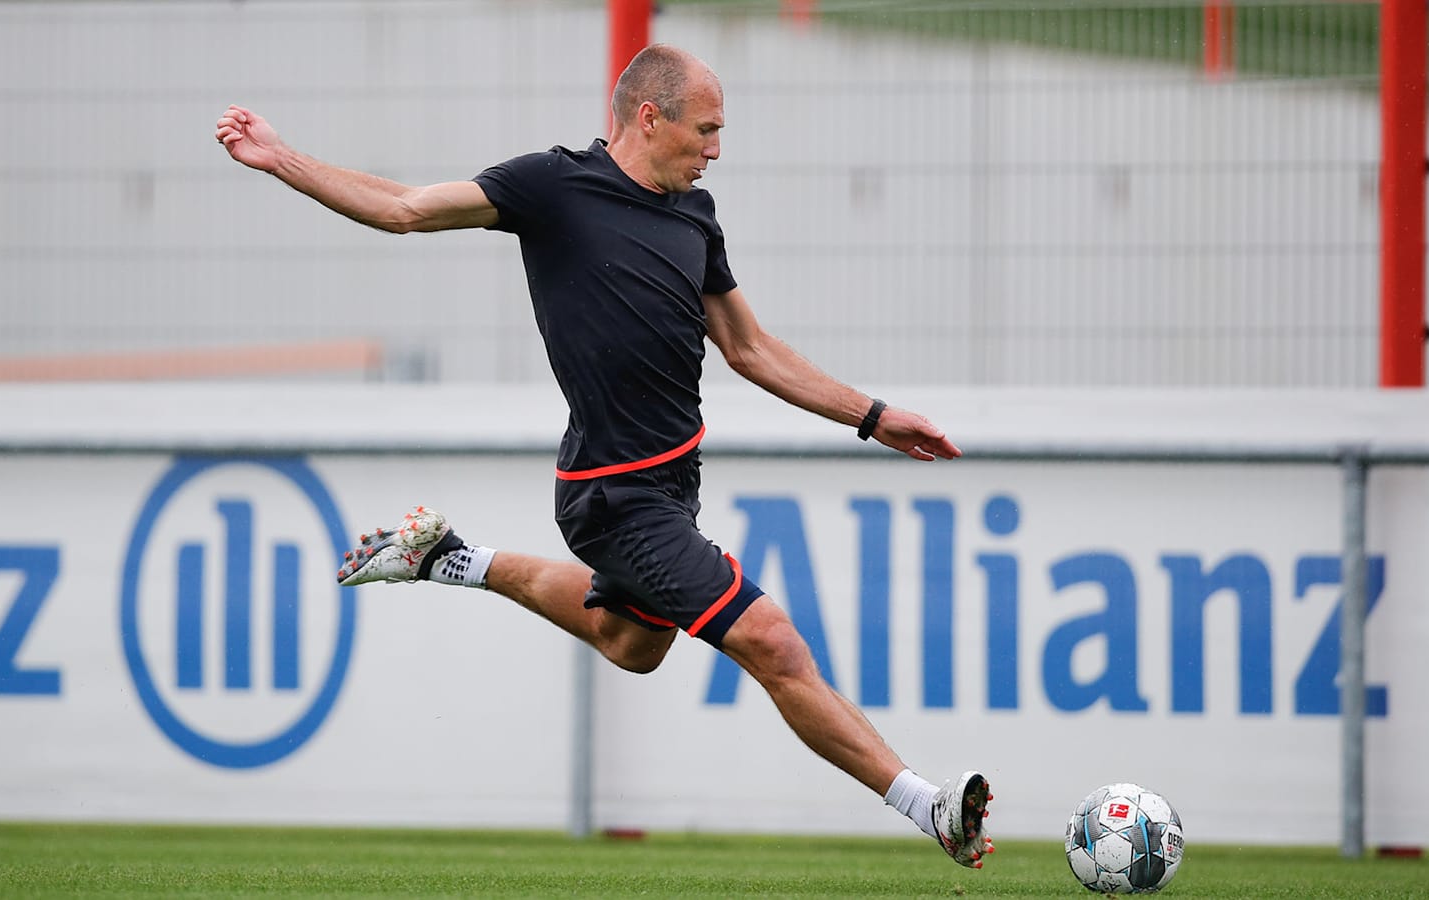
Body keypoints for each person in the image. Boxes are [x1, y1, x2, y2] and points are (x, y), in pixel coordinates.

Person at [215, 43, 993, 868]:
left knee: (633, 646)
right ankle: (927, 805)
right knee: (771, 640)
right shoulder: (551, 186)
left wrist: (874, 417)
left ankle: (450, 558)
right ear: (648, 117)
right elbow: (405, 207)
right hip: (616, 494)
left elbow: (751, 349)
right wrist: (280, 159)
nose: (717, 148)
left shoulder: (696, 215)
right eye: (707, 129)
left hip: (671, 485)